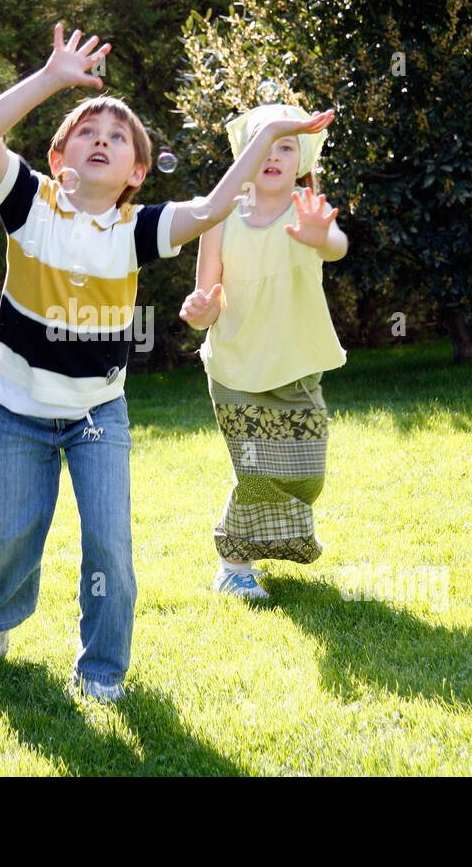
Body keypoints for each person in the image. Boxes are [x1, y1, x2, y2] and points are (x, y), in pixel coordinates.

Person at [0, 25, 333, 698]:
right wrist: (52, 77)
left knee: (111, 550)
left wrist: (267, 134)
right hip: (17, 412)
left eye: (118, 137)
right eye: (86, 132)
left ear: (137, 172)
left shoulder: (137, 228)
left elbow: (217, 205)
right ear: (58, 154)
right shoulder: (30, 206)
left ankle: (102, 674)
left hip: (98, 414)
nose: (101, 139)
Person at [179, 103, 349, 600]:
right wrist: (200, 311)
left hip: (294, 366)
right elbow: (208, 298)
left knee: (306, 476)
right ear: (246, 154)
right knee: (255, 472)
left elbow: (334, 243)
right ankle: (234, 565)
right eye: (265, 143)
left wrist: (323, 237)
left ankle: (260, 539)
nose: (274, 155)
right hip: (234, 366)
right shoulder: (221, 215)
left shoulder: (307, 210)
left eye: (286, 145)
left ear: (301, 159)